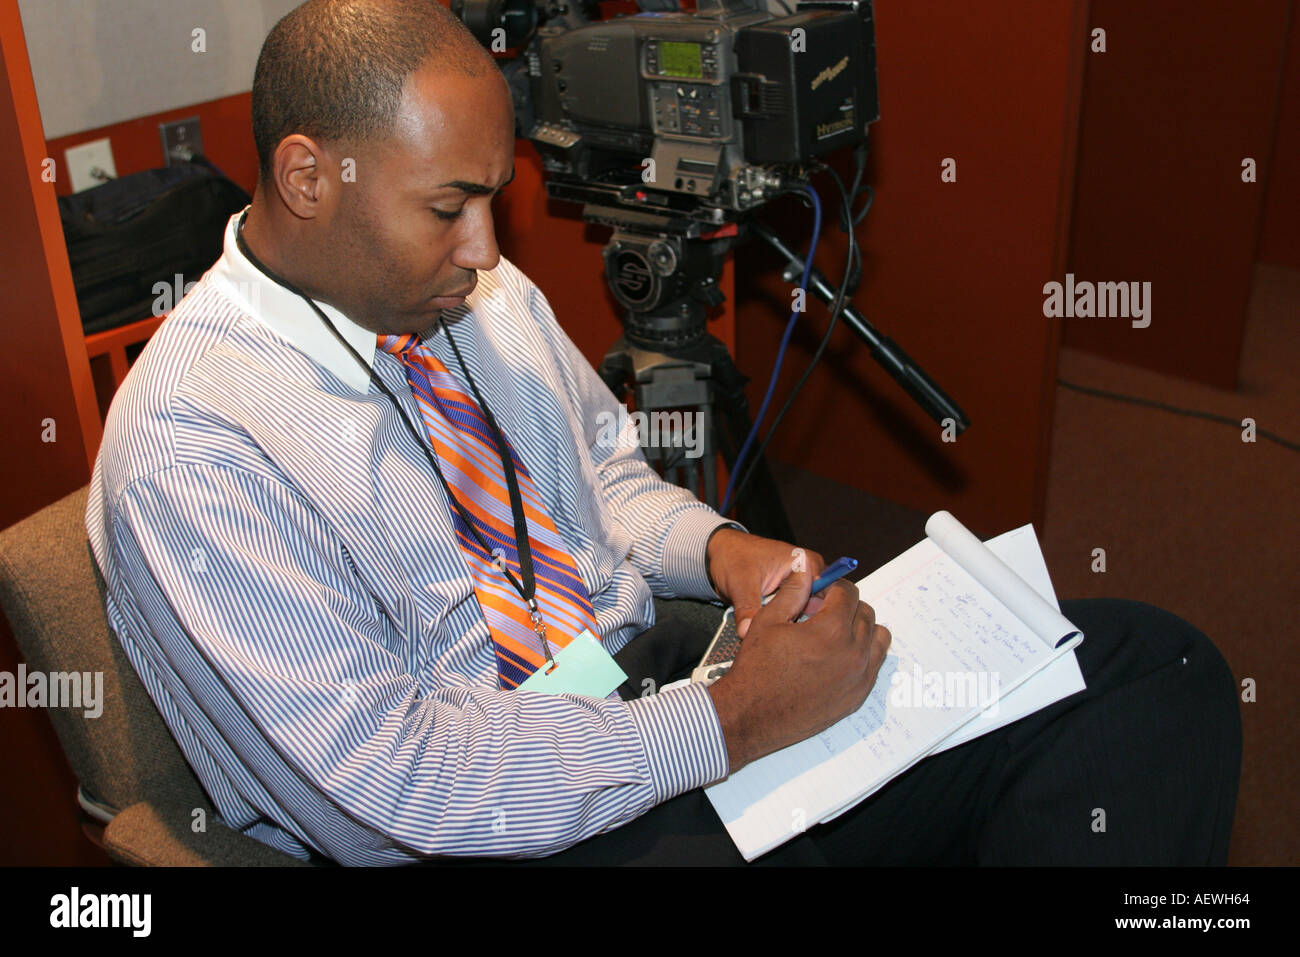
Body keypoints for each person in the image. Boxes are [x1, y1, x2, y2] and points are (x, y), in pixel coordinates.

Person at [86, 0, 1241, 866]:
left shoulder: (462, 293)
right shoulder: (196, 446)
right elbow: (399, 786)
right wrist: (734, 722)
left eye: (495, 196)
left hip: (653, 699)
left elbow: (602, 482)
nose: (489, 249)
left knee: (1140, 666)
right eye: (448, 207)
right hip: (508, 830)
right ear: (305, 177)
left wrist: (727, 554)